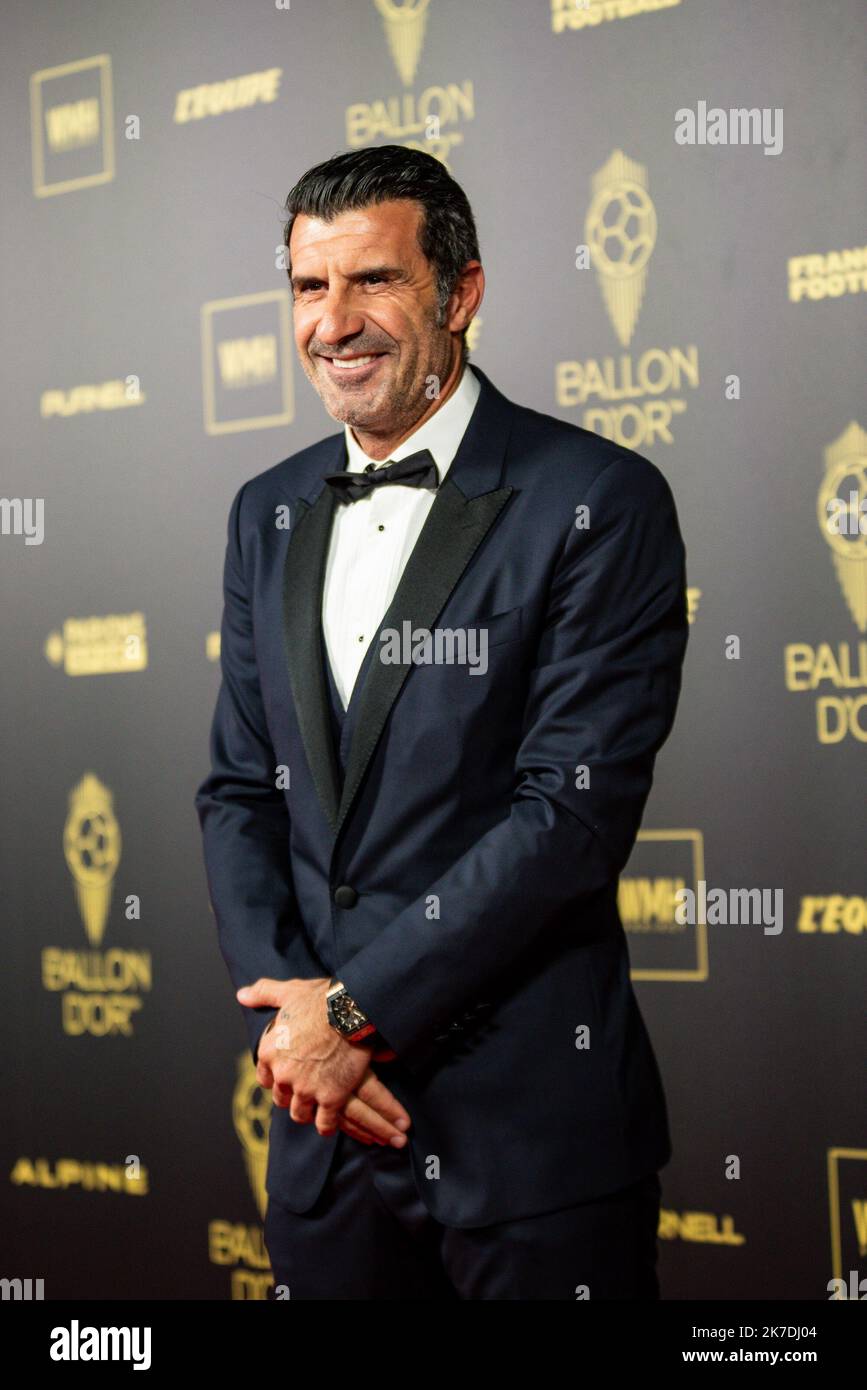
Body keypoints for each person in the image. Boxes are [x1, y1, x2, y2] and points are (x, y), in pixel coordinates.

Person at [194, 144, 689, 1300]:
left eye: (375, 281)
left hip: (528, 1152)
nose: (335, 322)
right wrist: (295, 1028)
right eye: (311, 288)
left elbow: (566, 819)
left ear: (460, 294)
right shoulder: (265, 510)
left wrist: (355, 1013)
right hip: (327, 1139)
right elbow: (237, 788)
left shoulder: (598, 501)